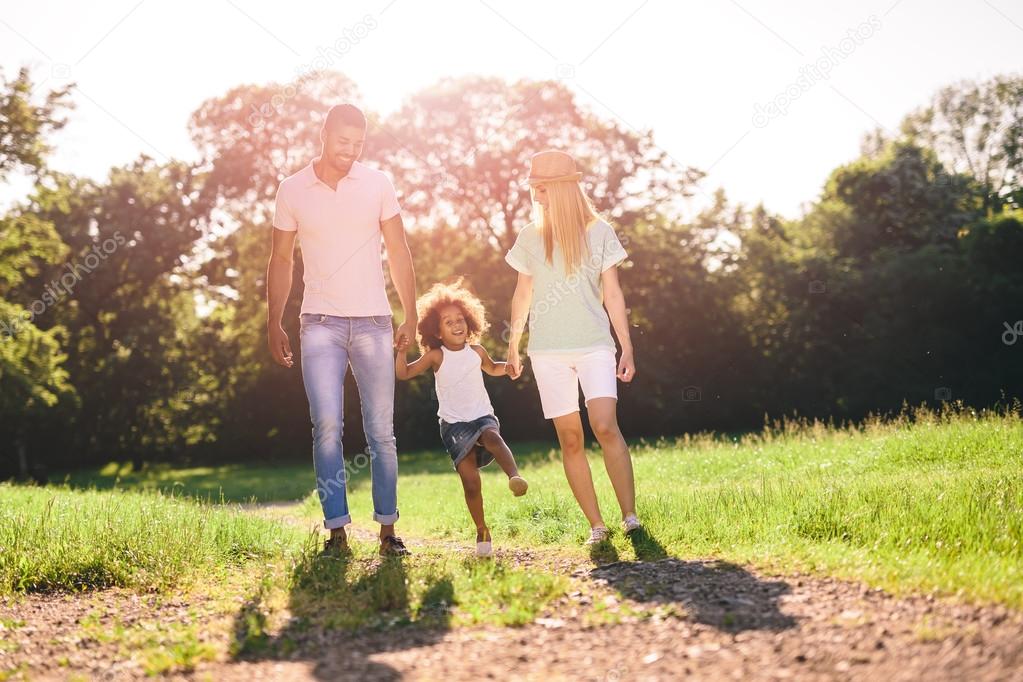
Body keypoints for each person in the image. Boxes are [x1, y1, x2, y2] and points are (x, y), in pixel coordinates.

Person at [266, 103, 417, 557]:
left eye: (358, 144)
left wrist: (410, 313)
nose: (350, 151)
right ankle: (337, 533)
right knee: (327, 426)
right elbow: (280, 259)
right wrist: (274, 320)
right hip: (319, 324)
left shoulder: (378, 184)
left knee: (381, 431)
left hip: (374, 322)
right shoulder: (292, 189)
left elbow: (399, 249)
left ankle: (388, 531)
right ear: (324, 135)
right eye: (342, 141)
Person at [504, 150, 640, 546]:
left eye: (542, 188)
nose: (536, 196)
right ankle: (597, 525)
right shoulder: (530, 236)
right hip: (547, 352)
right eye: (534, 188)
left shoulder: (600, 232)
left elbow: (613, 294)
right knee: (570, 439)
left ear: (562, 188)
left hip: (595, 345)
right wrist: (513, 344)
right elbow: (522, 294)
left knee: (604, 425)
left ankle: (630, 516)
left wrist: (626, 346)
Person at [395, 280, 529, 557]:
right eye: (448, 322)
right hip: (454, 425)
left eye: (460, 319)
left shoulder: (476, 351)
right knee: (470, 481)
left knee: (492, 437)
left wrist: (509, 368)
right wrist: (401, 351)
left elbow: (492, 368)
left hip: (481, 416)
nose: (457, 325)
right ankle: (481, 529)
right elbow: (404, 373)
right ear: (437, 331)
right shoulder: (436, 356)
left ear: (469, 321)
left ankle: (515, 477)